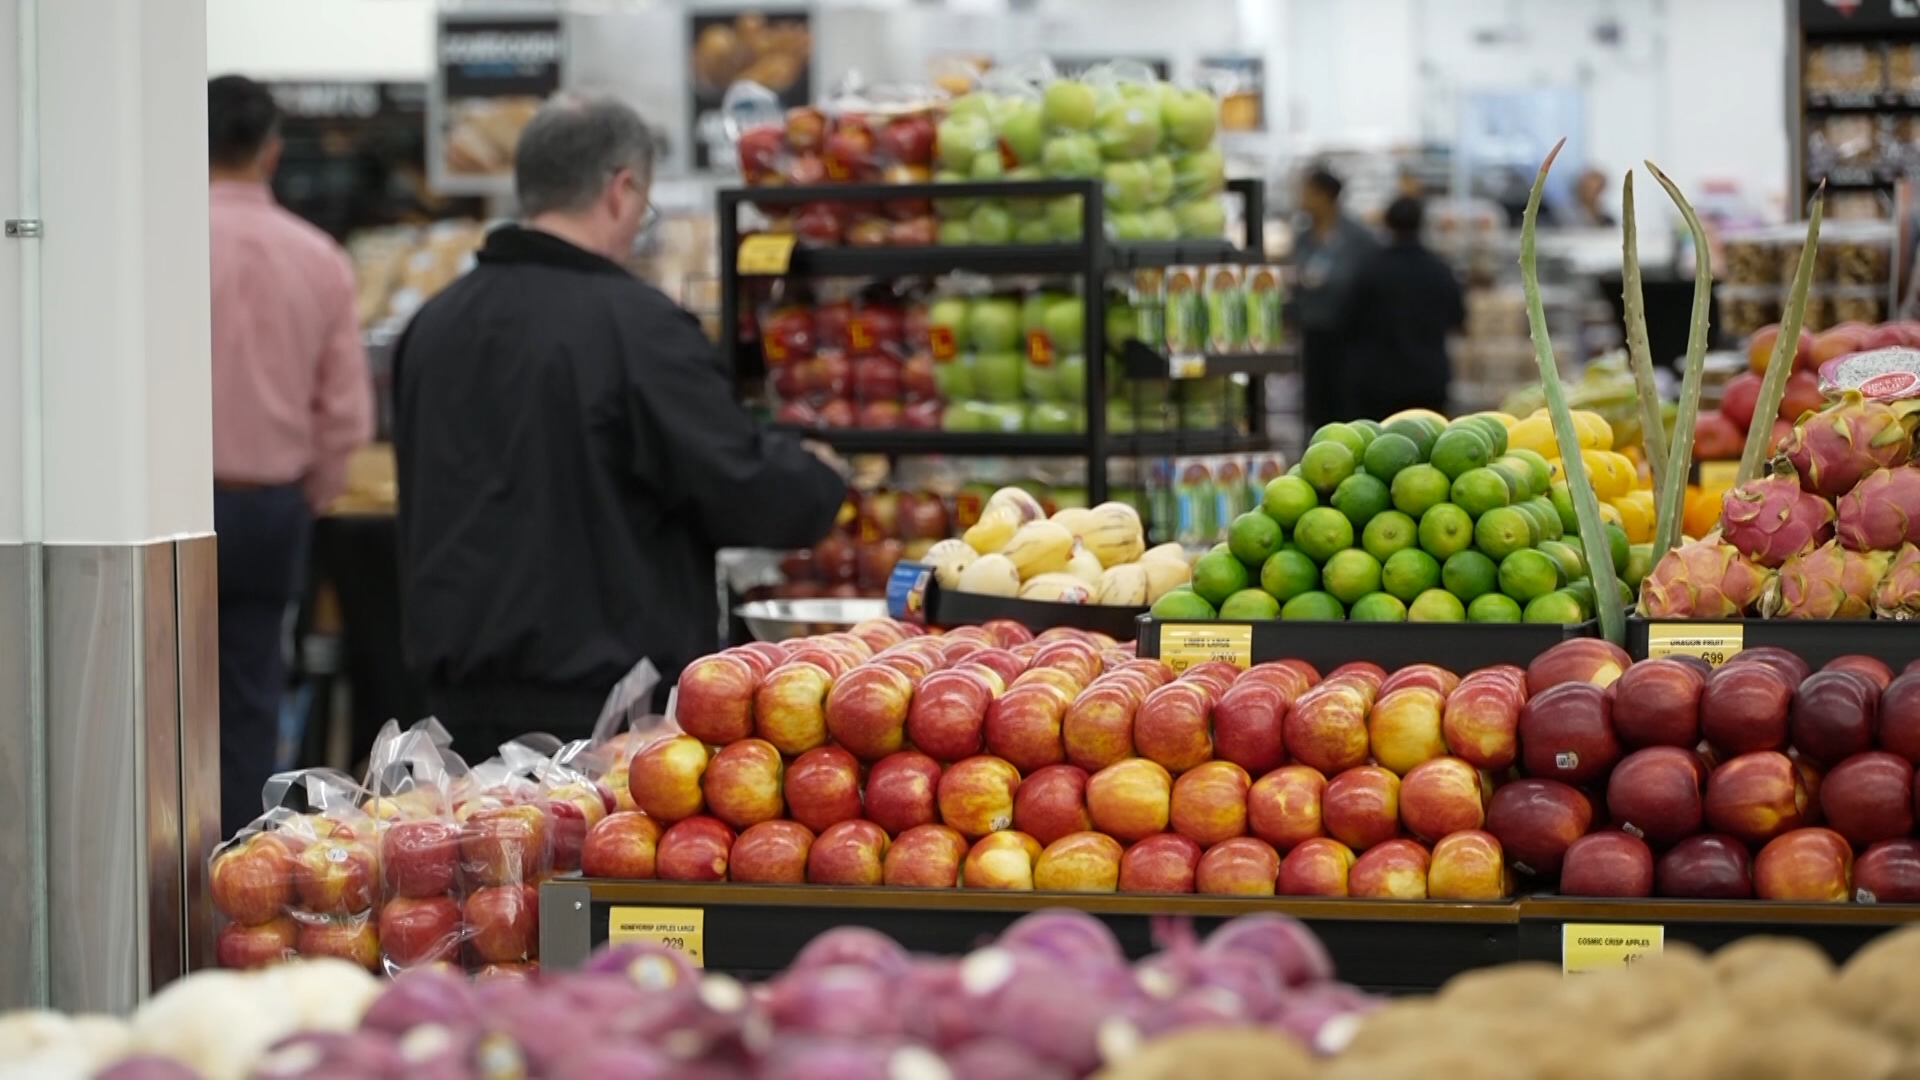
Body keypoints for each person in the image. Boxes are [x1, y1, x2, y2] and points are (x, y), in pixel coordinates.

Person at [392, 95, 847, 760]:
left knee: (483, 859)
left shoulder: (433, 325)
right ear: (622, 188)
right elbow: (737, 483)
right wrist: (817, 476)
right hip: (605, 715)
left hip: (453, 709)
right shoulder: (638, 328)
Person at [207, 75, 375, 838]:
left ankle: (145, 882)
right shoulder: (319, 257)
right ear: (272, 151)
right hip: (270, 503)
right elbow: (344, 413)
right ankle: (238, 870)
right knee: (250, 697)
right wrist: (310, 492)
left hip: (148, 511)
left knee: (141, 696)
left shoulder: (140, 253)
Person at [1340, 197, 1465, 419]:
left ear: (1387, 223)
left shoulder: (1370, 269)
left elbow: (1347, 319)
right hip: (1429, 380)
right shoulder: (1440, 270)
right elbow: (1458, 319)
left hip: (1378, 381)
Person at [1292, 166, 1378, 430]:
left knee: (1346, 403)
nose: (1300, 198)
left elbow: (1368, 284)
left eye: (1306, 192)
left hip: (1350, 338)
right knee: (1315, 404)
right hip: (1313, 334)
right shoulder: (1304, 239)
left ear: (1325, 195)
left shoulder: (1358, 238)